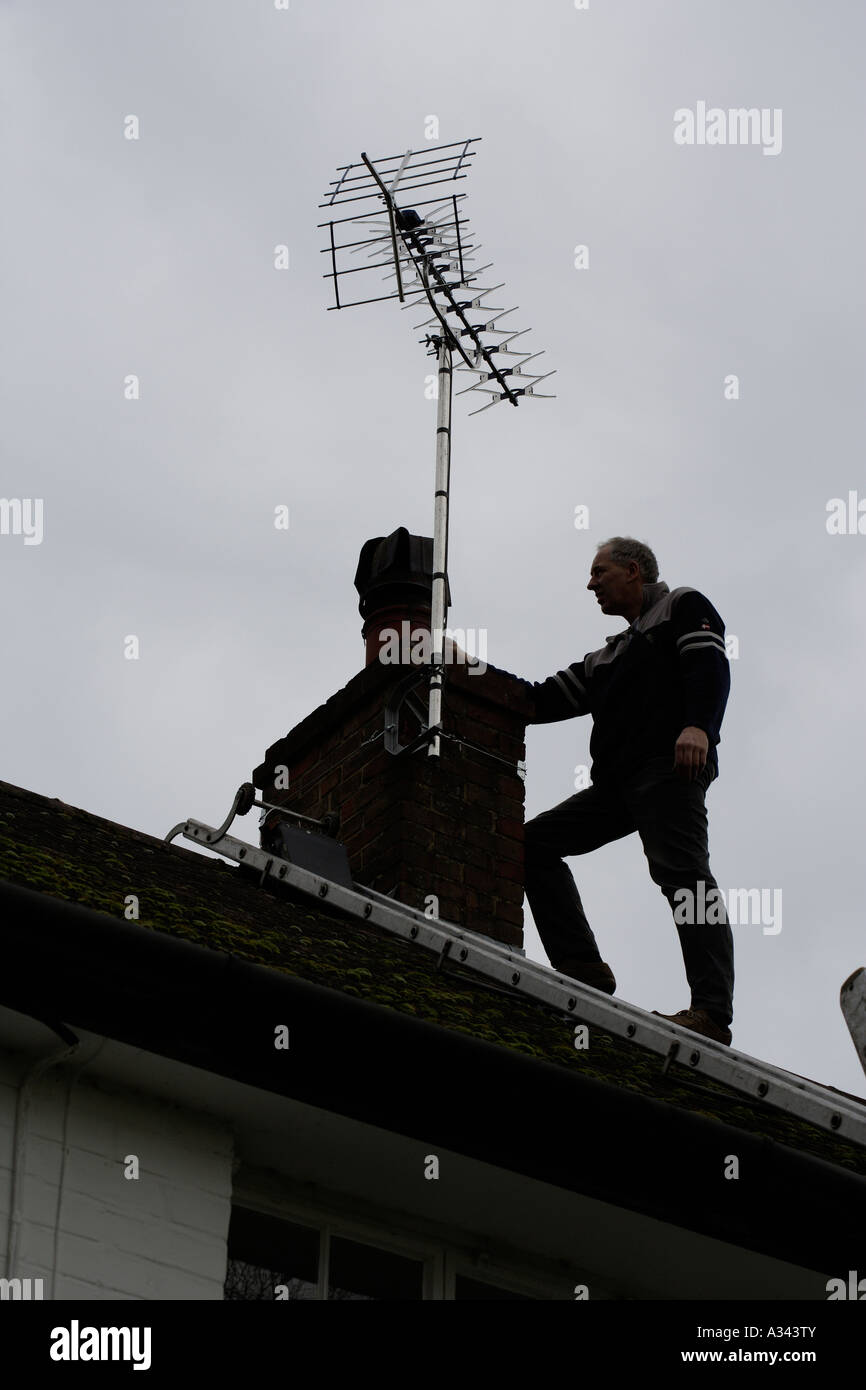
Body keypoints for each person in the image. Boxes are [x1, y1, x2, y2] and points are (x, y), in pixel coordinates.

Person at [521, 537, 734, 1045]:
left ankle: (710, 1012)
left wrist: (699, 727)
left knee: (683, 874)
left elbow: (709, 667)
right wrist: (470, 672)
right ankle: (583, 968)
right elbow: (537, 700)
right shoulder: (607, 657)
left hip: (670, 766)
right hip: (617, 785)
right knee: (530, 845)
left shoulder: (683, 605)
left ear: (633, 571)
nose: (590, 583)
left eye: (599, 572)